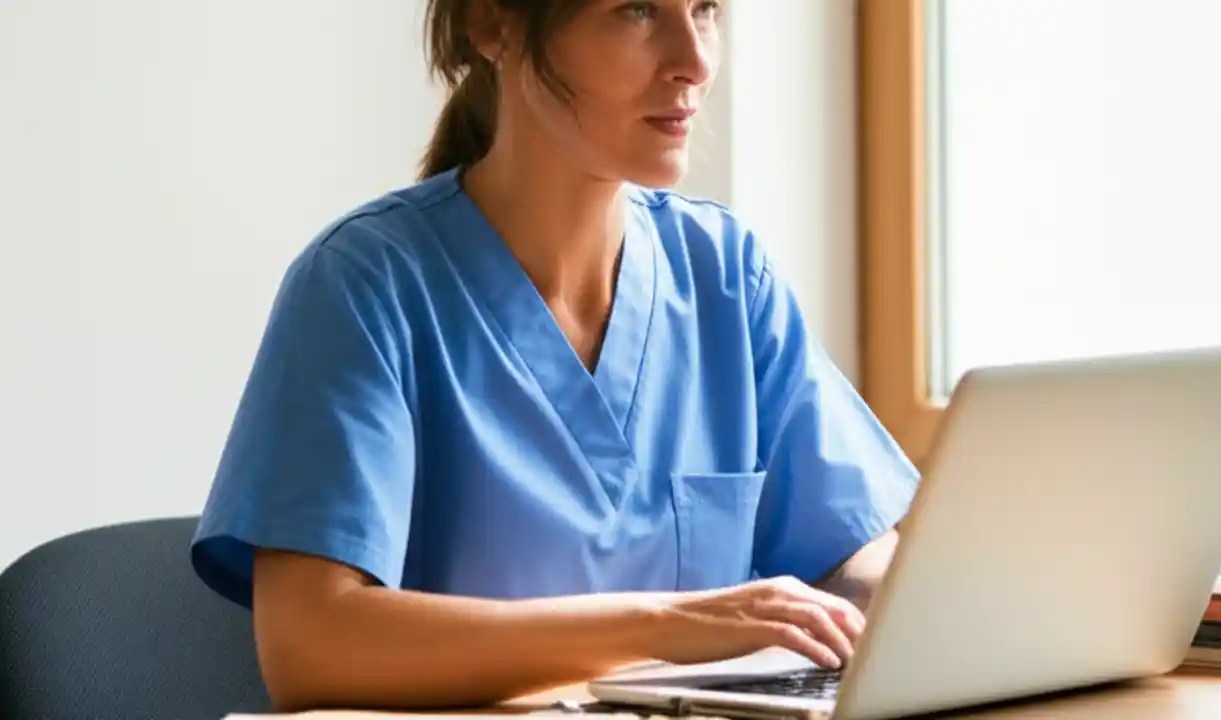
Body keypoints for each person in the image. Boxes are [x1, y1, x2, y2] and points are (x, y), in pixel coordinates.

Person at [191, 0, 919, 711]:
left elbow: (856, 550)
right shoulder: (365, 283)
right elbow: (309, 646)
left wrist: (872, 622)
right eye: (635, 12)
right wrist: (666, 626)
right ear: (492, 24)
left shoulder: (725, 273)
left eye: (704, 10)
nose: (694, 62)